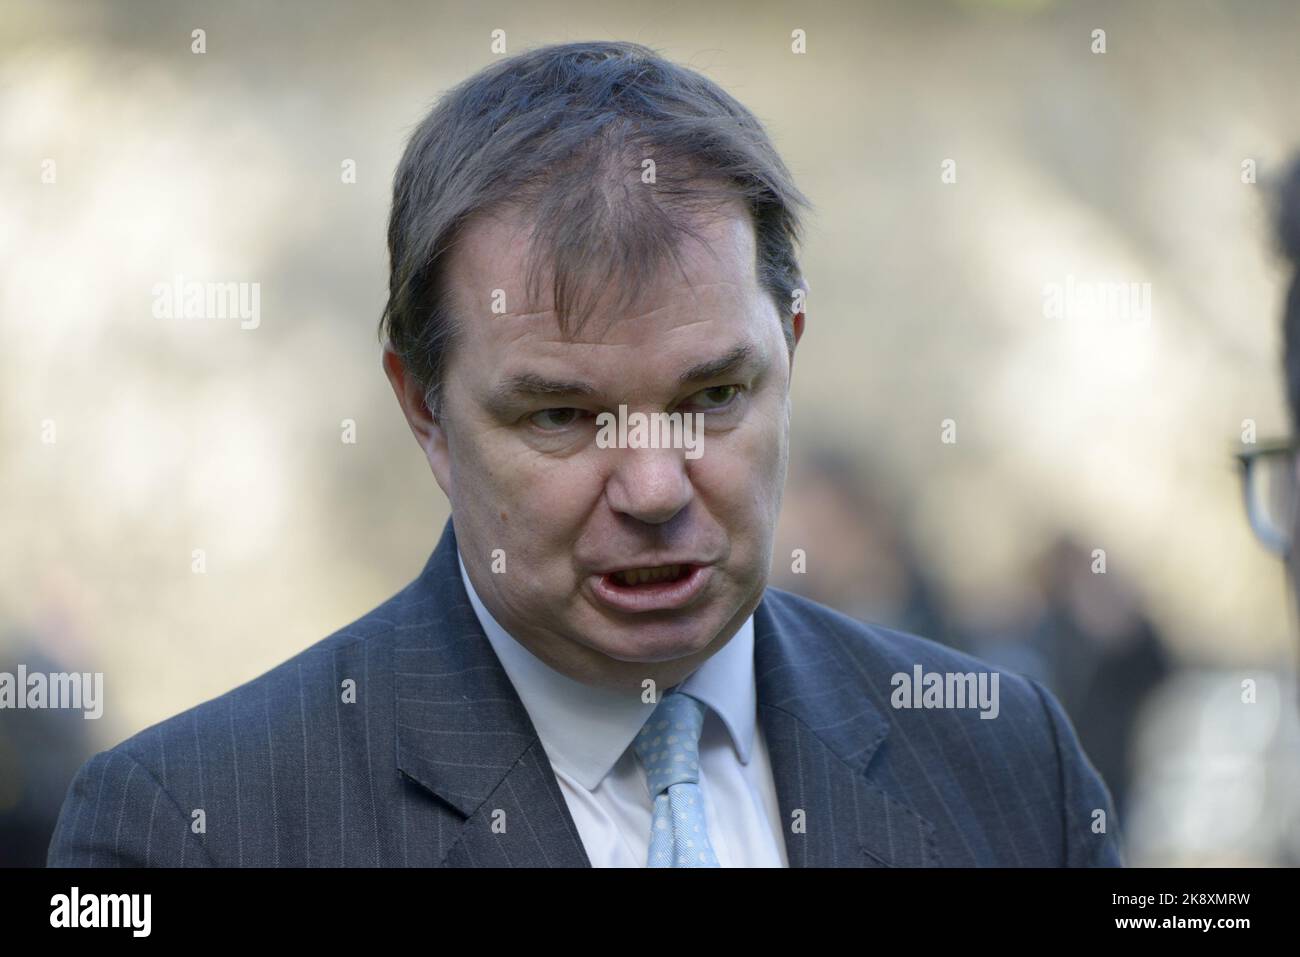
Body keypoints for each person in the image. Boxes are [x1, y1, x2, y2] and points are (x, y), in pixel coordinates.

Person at [48, 40, 1121, 868]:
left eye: (712, 398)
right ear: (423, 407)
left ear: (788, 354)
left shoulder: (1001, 757)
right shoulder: (192, 830)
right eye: (560, 418)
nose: (655, 487)